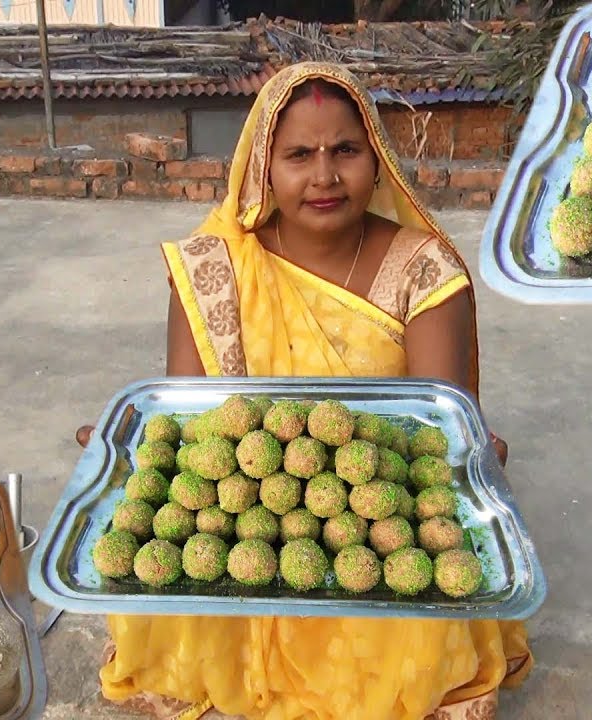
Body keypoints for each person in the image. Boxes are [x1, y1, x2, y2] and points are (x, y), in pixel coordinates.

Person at [91, 61, 531, 720]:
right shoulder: (214, 267)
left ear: (377, 161)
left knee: (420, 594)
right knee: (183, 567)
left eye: (345, 151)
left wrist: (466, 453)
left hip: (379, 503)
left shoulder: (424, 269)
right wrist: (133, 449)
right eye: (298, 155)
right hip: (244, 508)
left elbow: (436, 438)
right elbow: (193, 427)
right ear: (264, 170)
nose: (324, 176)